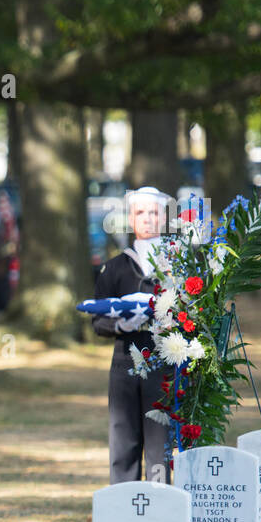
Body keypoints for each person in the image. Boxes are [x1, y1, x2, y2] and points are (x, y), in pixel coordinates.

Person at [93, 186, 170, 484]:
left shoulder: (179, 264)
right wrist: (120, 326)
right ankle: (122, 514)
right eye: (141, 213)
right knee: (123, 441)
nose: (148, 219)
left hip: (164, 366)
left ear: (164, 217)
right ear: (131, 218)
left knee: (159, 449)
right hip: (125, 365)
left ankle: (161, 512)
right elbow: (98, 320)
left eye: (154, 213)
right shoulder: (114, 268)